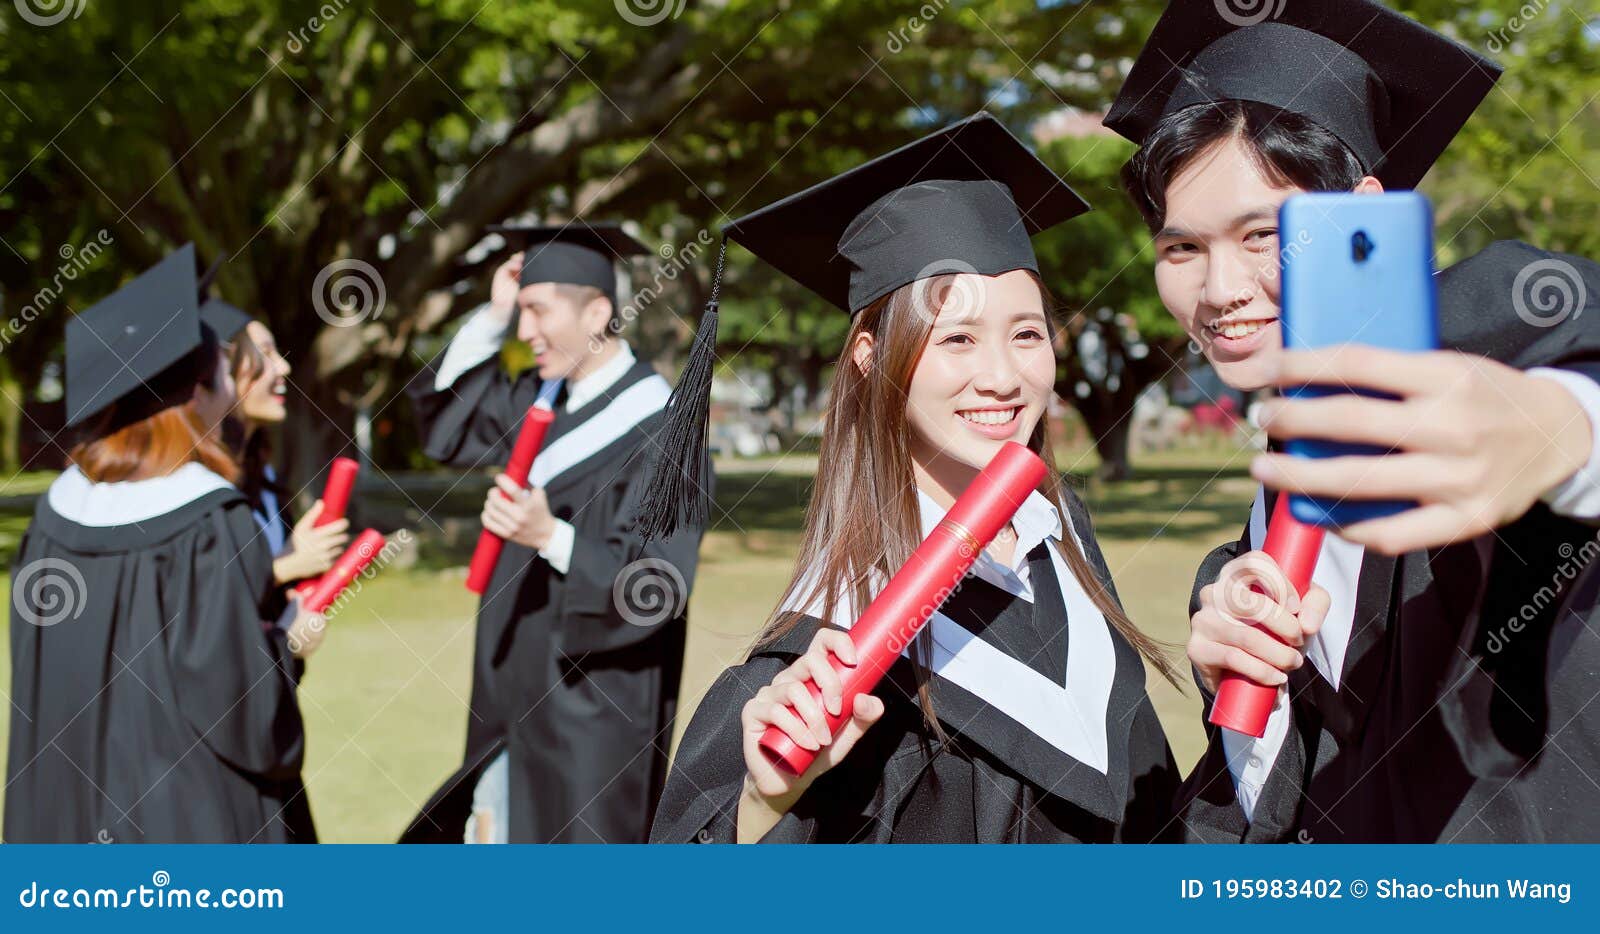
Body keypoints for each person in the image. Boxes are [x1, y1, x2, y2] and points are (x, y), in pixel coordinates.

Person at [1103, 0, 1600, 842]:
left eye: (1261, 233)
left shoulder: (1497, 316)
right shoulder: (1297, 432)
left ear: (1362, 210)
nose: (1218, 291)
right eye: (1181, 248)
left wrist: (1561, 426)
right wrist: (1234, 633)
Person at [646, 113, 1181, 844]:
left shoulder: (1063, 539)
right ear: (869, 356)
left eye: (1027, 333)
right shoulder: (826, 645)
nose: (1002, 377)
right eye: (956, 338)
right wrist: (766, 807)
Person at [5, 244, 322, 843]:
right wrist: (289, 644)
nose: (233, 388)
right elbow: (245, 718)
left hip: (67, 828)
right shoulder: (208, 523)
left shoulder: (52, 520)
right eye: (226, 373)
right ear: (195, 394)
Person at [401, 222, 704, 843]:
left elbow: (658, 585)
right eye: (522, 311)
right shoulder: (539, 403)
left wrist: (553, 537)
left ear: (598, 312)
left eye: (539, 311)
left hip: (591, 714)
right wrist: (493, 311)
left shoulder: (660, 428)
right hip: (508, 699)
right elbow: (444, 430)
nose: (525, 331)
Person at [198, 290, 350, 605]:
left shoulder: (264, 477)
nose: (284, 368)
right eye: (265, 355)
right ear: (223, 371)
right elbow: (201, 602)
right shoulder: (194, 486)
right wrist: (286, 566)